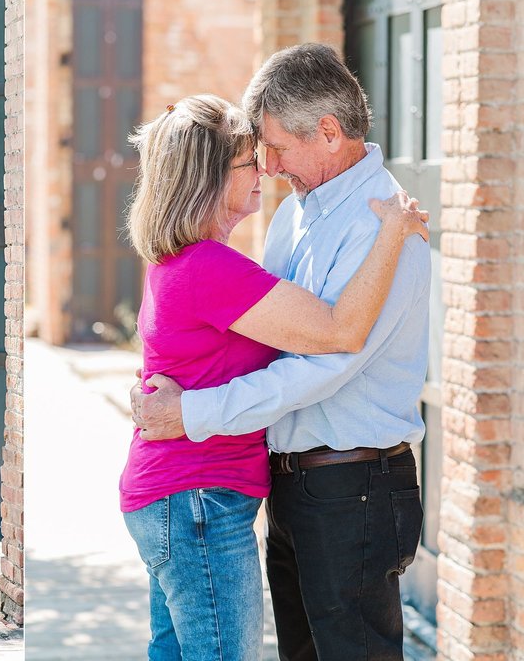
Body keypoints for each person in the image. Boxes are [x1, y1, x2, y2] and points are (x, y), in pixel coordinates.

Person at [132, 45, 431, 661]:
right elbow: (266, 344)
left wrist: (192, 413)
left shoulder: (381, 223)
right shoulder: (291, 219)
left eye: (275, 148)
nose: (268, 166)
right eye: (253, 155)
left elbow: (330, 355)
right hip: (287, 487)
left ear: (327, 132)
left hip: (356, 484)